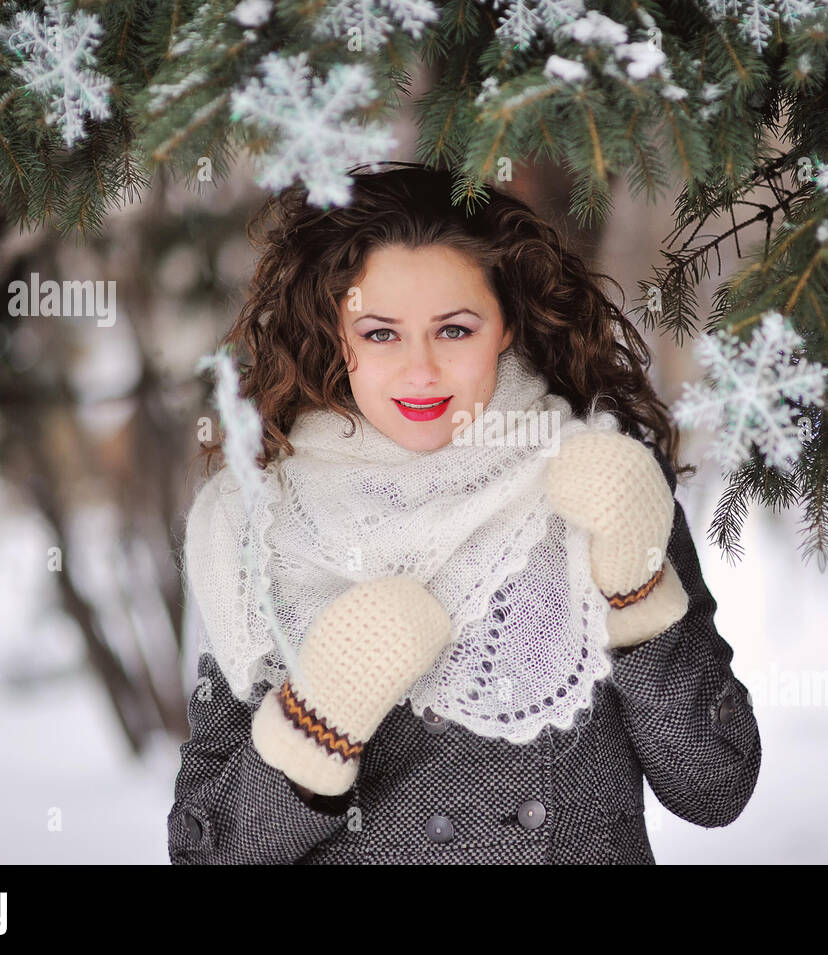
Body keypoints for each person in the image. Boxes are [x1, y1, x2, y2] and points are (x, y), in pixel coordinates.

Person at [167, 162, 760, 864]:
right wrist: (313, 724)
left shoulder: (598, 477)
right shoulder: (260, 525)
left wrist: (636, 589)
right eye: (381, 333)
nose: (421, 372)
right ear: (334, 330)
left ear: (506, 323)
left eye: (454, 330)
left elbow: (716, 786)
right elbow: (203, 853)